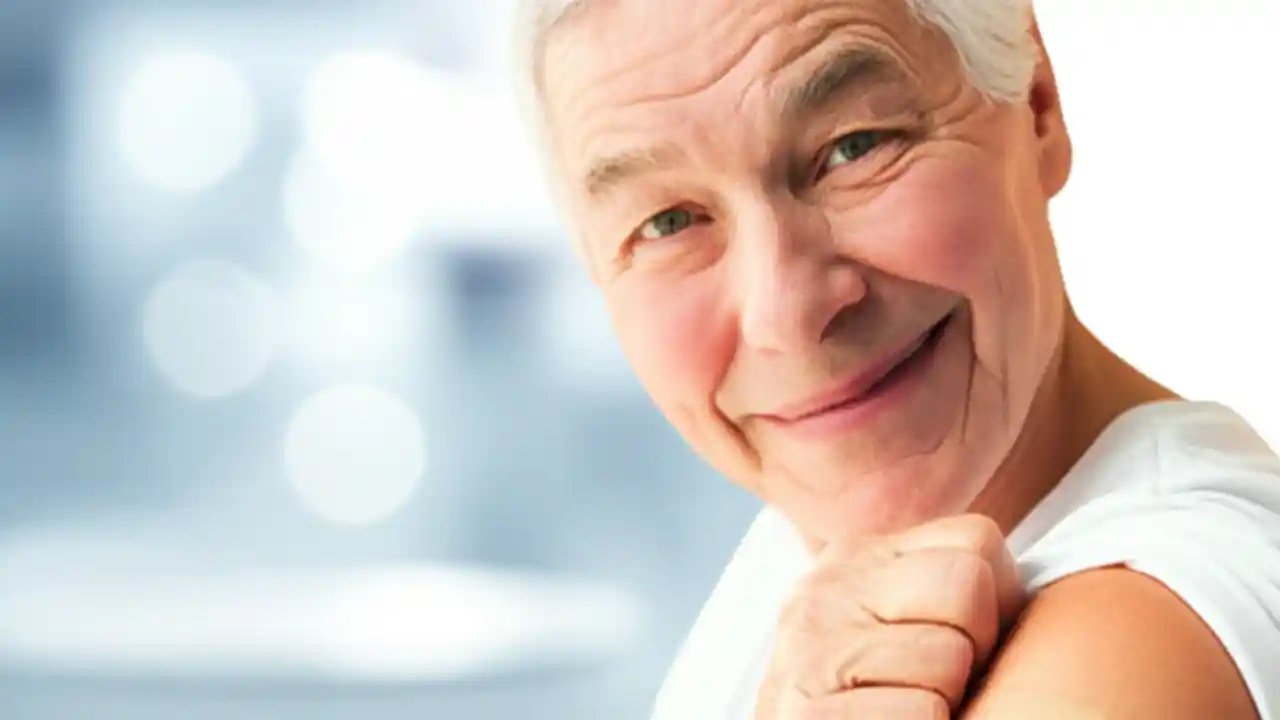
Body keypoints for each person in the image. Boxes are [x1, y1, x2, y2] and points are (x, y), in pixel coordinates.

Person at [511, 0, 1280, 717]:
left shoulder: (1136, 646)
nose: (785, 314)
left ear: (1037, 101)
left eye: (854, 147)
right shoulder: (812, 564)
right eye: (670, 221)